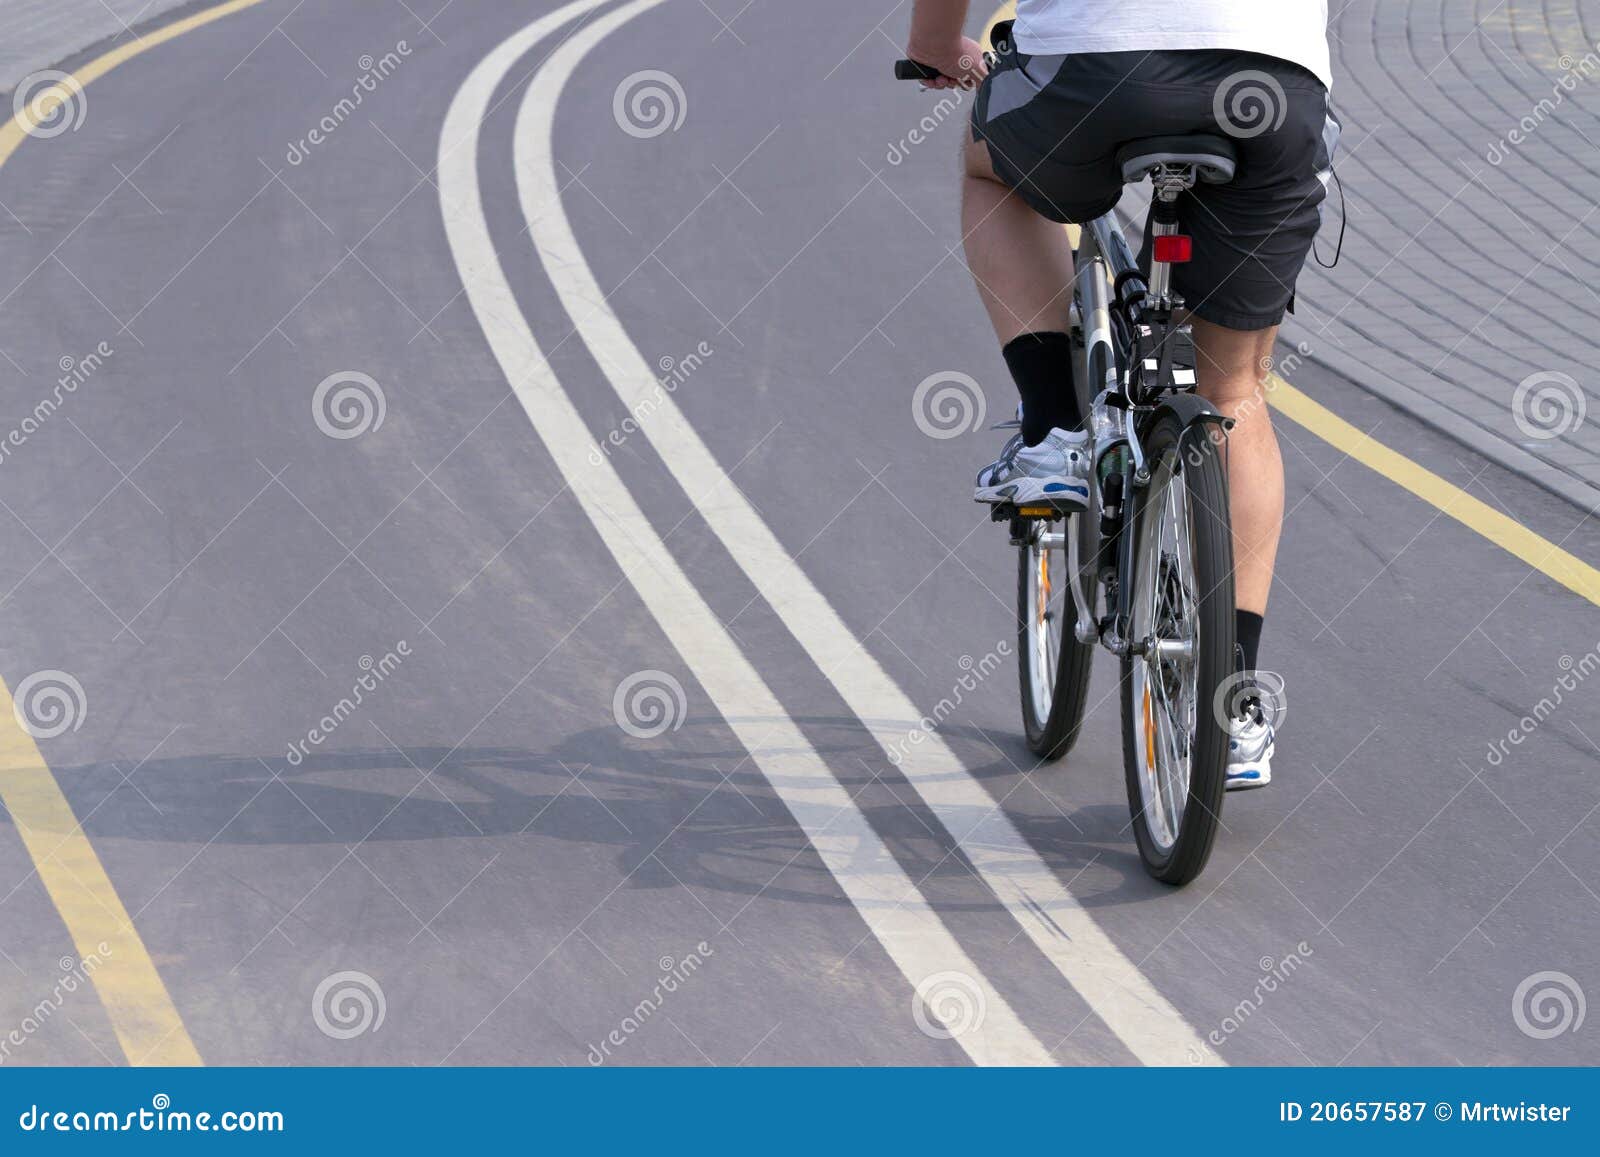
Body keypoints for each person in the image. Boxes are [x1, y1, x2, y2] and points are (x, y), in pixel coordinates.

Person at [905, 0, 1337, 788]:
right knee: (1235, 388)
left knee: (987, 169)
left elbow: (949, 40)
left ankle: (1055, 427)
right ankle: (1234, 704)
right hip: (1271, 88)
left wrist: (934, 44)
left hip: (1094, 68)